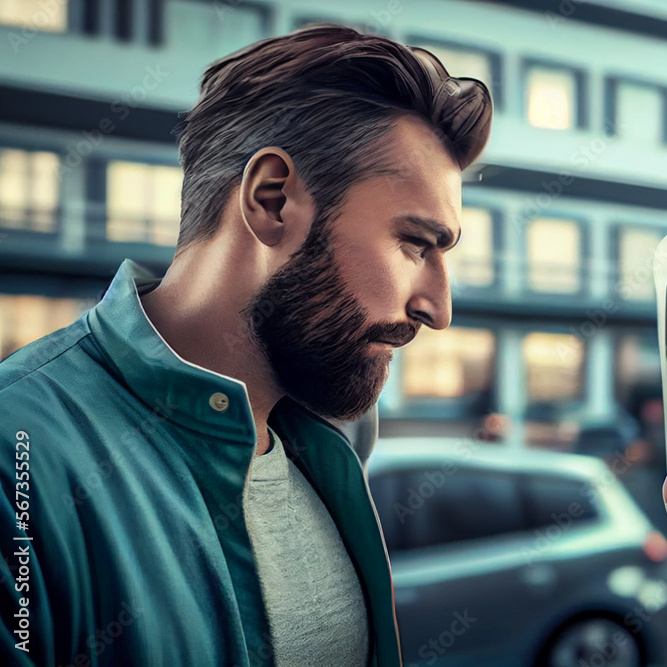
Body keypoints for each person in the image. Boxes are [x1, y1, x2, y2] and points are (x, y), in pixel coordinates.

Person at [0, 24, 491, 667]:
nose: (438, 309)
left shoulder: (334, 434)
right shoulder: (19, 462)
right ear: (271, 200)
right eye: (414, 244)